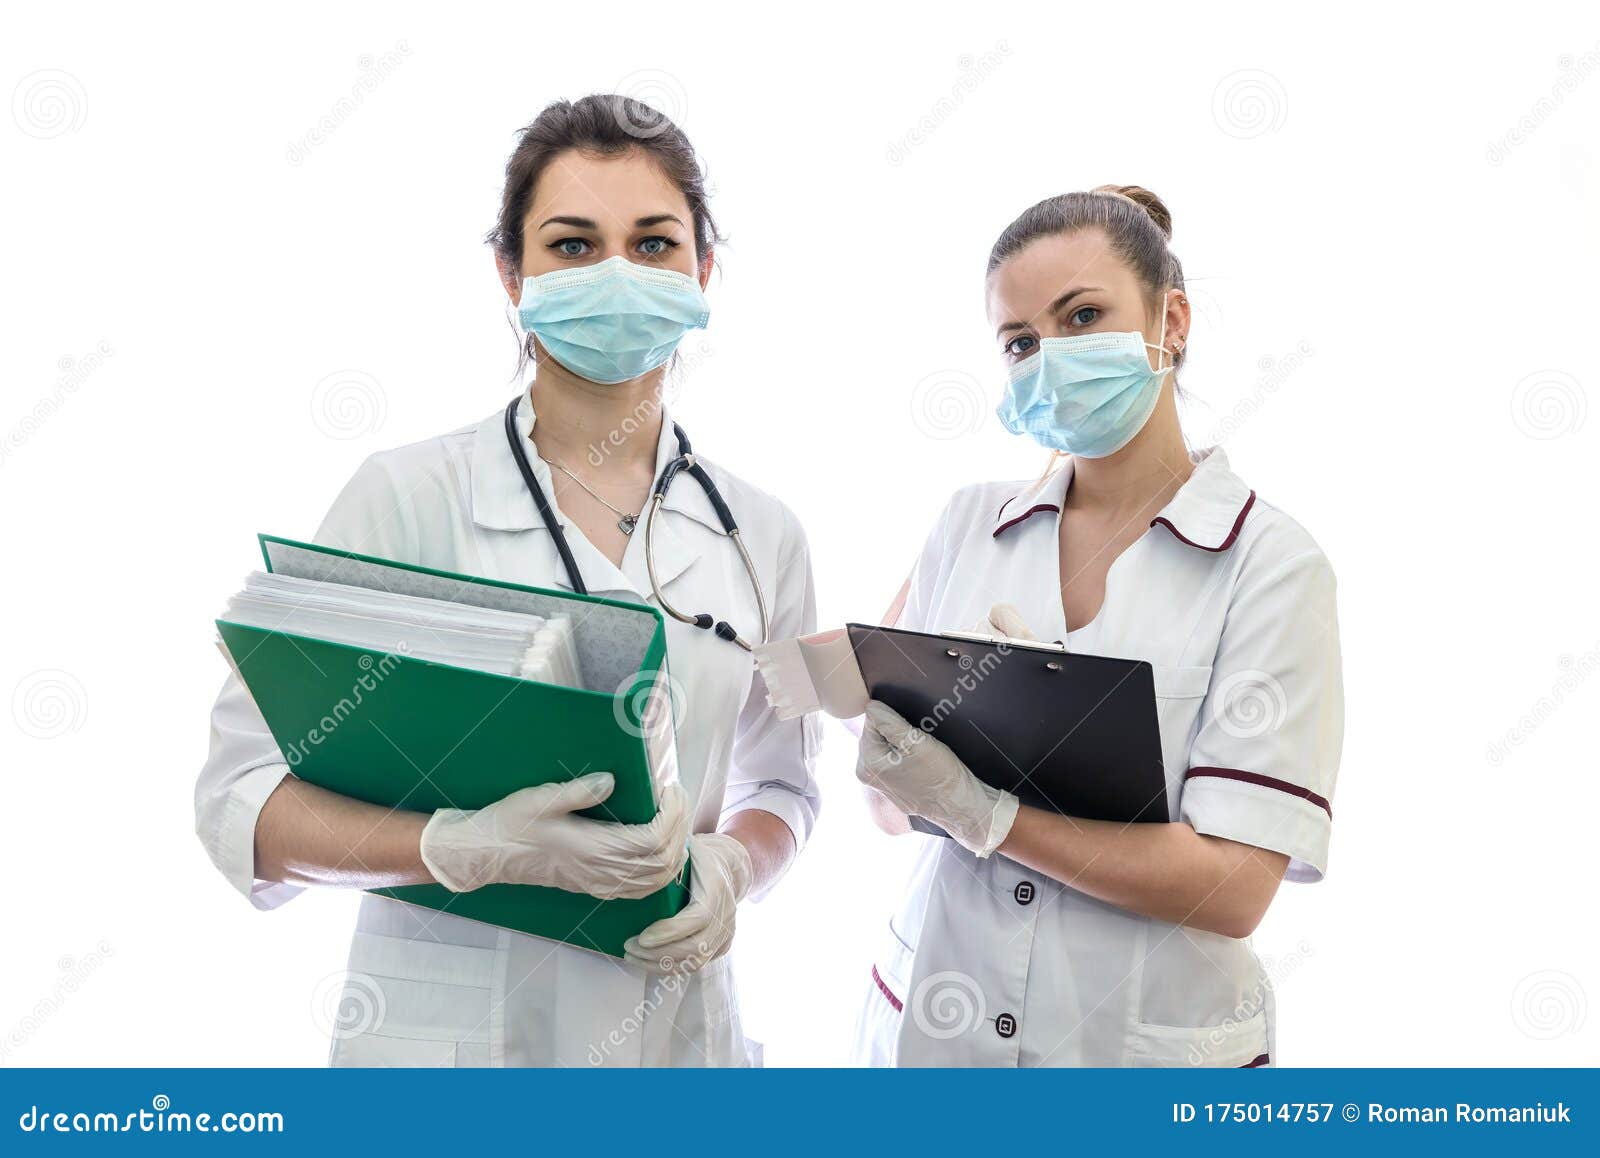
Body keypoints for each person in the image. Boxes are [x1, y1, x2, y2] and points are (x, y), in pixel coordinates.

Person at [195, 95, 820, 1067]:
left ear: (703, 271)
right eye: (573, 245)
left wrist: (736, 863)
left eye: (652, 245)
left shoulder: (762, 534)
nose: (615, 273)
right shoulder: (407, 498)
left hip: (678, 1032)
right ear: (510, 272)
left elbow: (783, 781)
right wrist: (454, 848)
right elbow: (241, 804)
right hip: (454, 1048)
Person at [852, 185, 1342, 1067]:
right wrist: (897, 776)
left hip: (1138, 1056)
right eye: (1021, 341)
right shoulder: (968, 524)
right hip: (935, 1027)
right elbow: (887, 796)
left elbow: (1233, 888)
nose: (1051, 357)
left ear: (1173, 320)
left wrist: (987, 813)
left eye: (1083, 316)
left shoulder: (1270, 565)